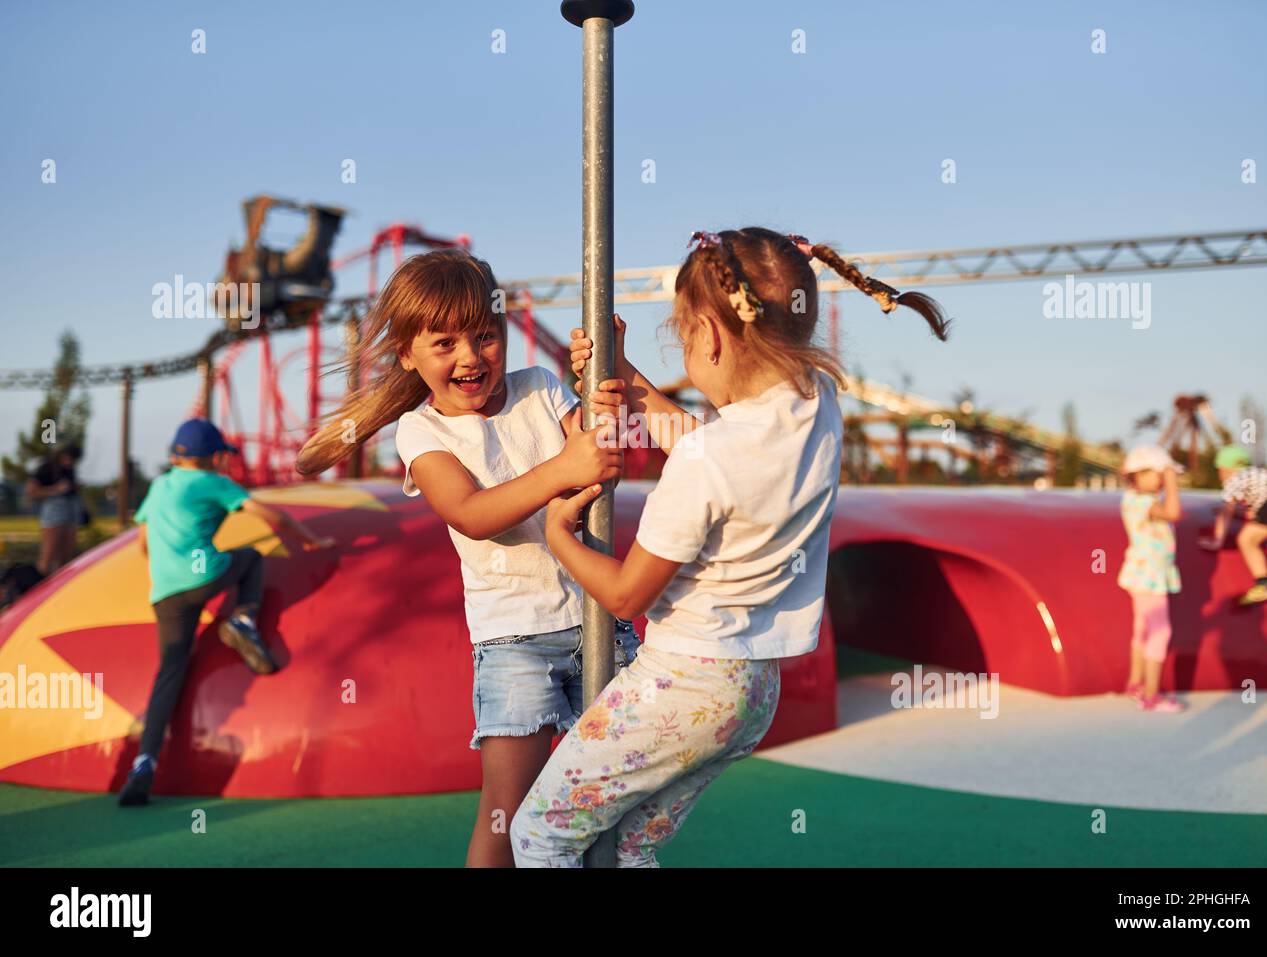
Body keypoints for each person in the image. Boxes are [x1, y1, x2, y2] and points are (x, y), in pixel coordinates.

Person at [511, 227, 951, 866]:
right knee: (630, 846)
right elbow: (703, 447)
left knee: (540, 834)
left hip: (683, 683)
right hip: (751, 693)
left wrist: (557, 536)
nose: (686, 350)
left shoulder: (705, 461)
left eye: (684, 338)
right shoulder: (817, 404)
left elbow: (628, 592)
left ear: (711, 338)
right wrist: (625, 376)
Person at [295, 248, 633, 867]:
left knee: (611, 796)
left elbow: (598, 448)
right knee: (509, 807)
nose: (471, 357)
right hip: (514, 641)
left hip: (596, 618)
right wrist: (563, 466)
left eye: (485, 336)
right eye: (445, 343)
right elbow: (472, 514)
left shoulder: (539, 388)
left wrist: (601, 374)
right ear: (407, 355)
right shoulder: (422, 432)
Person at [119, 418, 334, 806]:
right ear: (215, 456)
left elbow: (144, 545)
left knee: (170, 673)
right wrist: (311, 540)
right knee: (250, 557)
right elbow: (271, 516)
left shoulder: (160, 485)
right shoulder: (214, 483)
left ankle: (144, 763)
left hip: (165, 592)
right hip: (205, 576)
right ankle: (244, 617)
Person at [1117, 446, 1185, 712]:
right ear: (1138, 475)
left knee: (1142, 629)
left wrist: (1164, 476)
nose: (1161, 479)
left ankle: (1136, 683)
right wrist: (1171, 481)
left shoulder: (1134, 499)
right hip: (1151, 576)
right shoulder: (1144, 502)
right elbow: (1174, 513)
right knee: (1160, 631)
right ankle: (1151, 696)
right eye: (1157, 474)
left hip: (1142, 573)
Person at [1199, 444, 1267, 614]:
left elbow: (1227, 511)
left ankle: (1264, 583)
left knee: (1247, 539)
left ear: (1224, 469)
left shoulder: (1235, 479)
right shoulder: (1259, 475)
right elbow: (1256, 515)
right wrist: (1240, 513)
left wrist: (1217, 541)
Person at [26, 441, 83, 575]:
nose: (69, 462)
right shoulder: (46, 468)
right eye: (68, 458)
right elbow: (31, 491)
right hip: (55, 511)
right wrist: (55, 490)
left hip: (71, 509)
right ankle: (41, 587)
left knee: (66, 557)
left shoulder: (70, 470)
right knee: (48, 556)